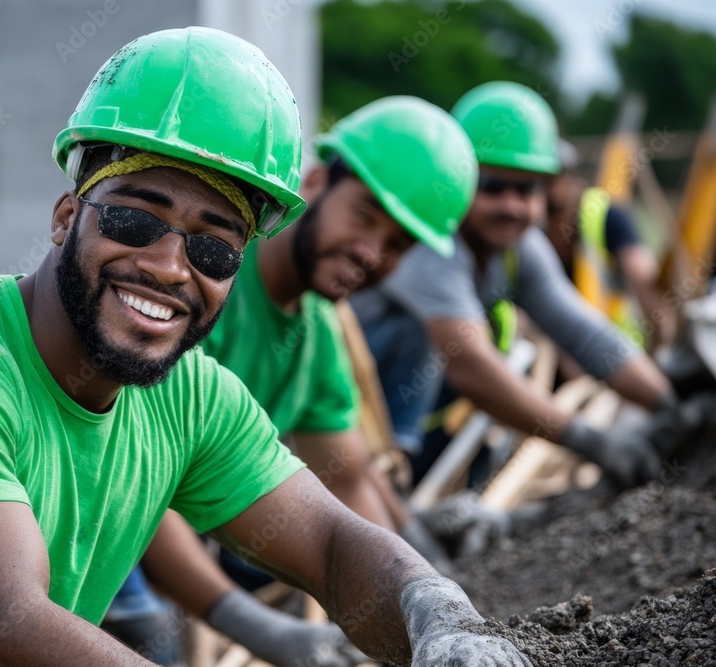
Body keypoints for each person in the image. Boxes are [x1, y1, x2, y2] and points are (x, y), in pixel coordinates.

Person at [0, 30, 531, 667]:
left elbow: (329, 540)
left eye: (215, 248)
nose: (169, 266)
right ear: (65, 215)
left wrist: (436, 612)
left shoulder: (191, 400)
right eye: (135, 219)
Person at [106, 96, 480, 665]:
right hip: (102, 513)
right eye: (363, 215)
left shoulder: (319, 334)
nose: (370, 252)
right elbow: (135, 478)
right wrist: (253, 625)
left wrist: (424, 602)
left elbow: (350, 486)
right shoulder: (208, 281)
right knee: (146, 631)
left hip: (193, 530)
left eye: (398, 245)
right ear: (317, 180)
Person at [351, 81, 679, 491]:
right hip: (351, 433)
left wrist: (667, 404)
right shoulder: (430, 240)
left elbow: (585, 333)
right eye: (492, 187)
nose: (511, 205)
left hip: (425, 425)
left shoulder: (519, 248)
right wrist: (592, 442)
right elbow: (472, 366)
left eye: (527, 189)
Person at [546, 139, 675, 352]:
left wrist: (661, 352)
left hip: (615, 348)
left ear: (572, 180)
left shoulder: (606, 216)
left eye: (550, 179)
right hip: (555, 350)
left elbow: (645, 280)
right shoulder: (527, 224)